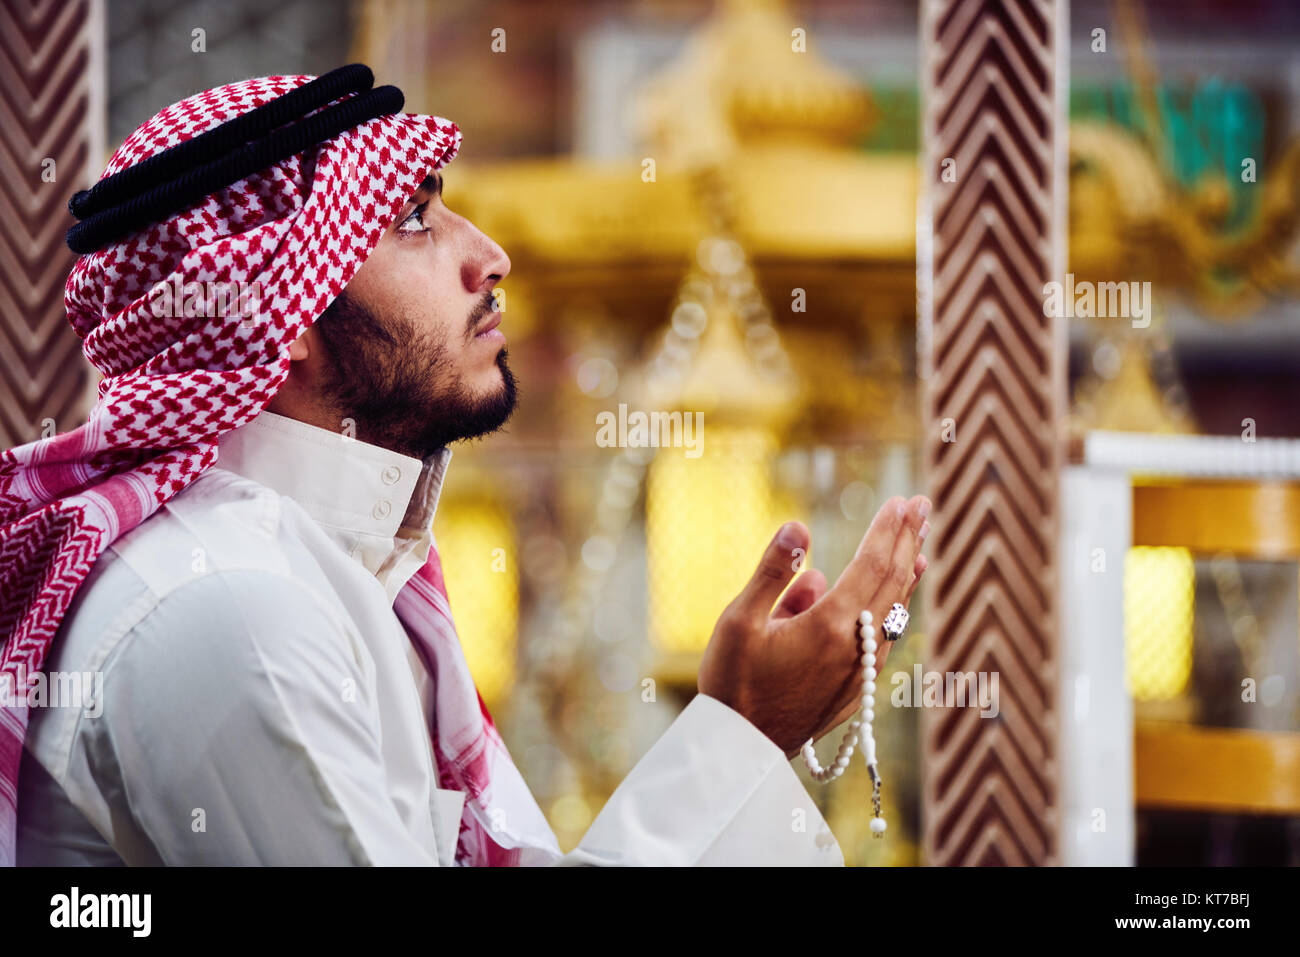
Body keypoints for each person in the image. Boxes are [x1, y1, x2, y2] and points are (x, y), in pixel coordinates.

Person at [0, 66, 930, 866]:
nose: (490, 256)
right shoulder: (230, 609)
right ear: (277, 319)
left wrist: (740, 725)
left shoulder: (332, 573)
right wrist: (750, 736)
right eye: (413, 220)